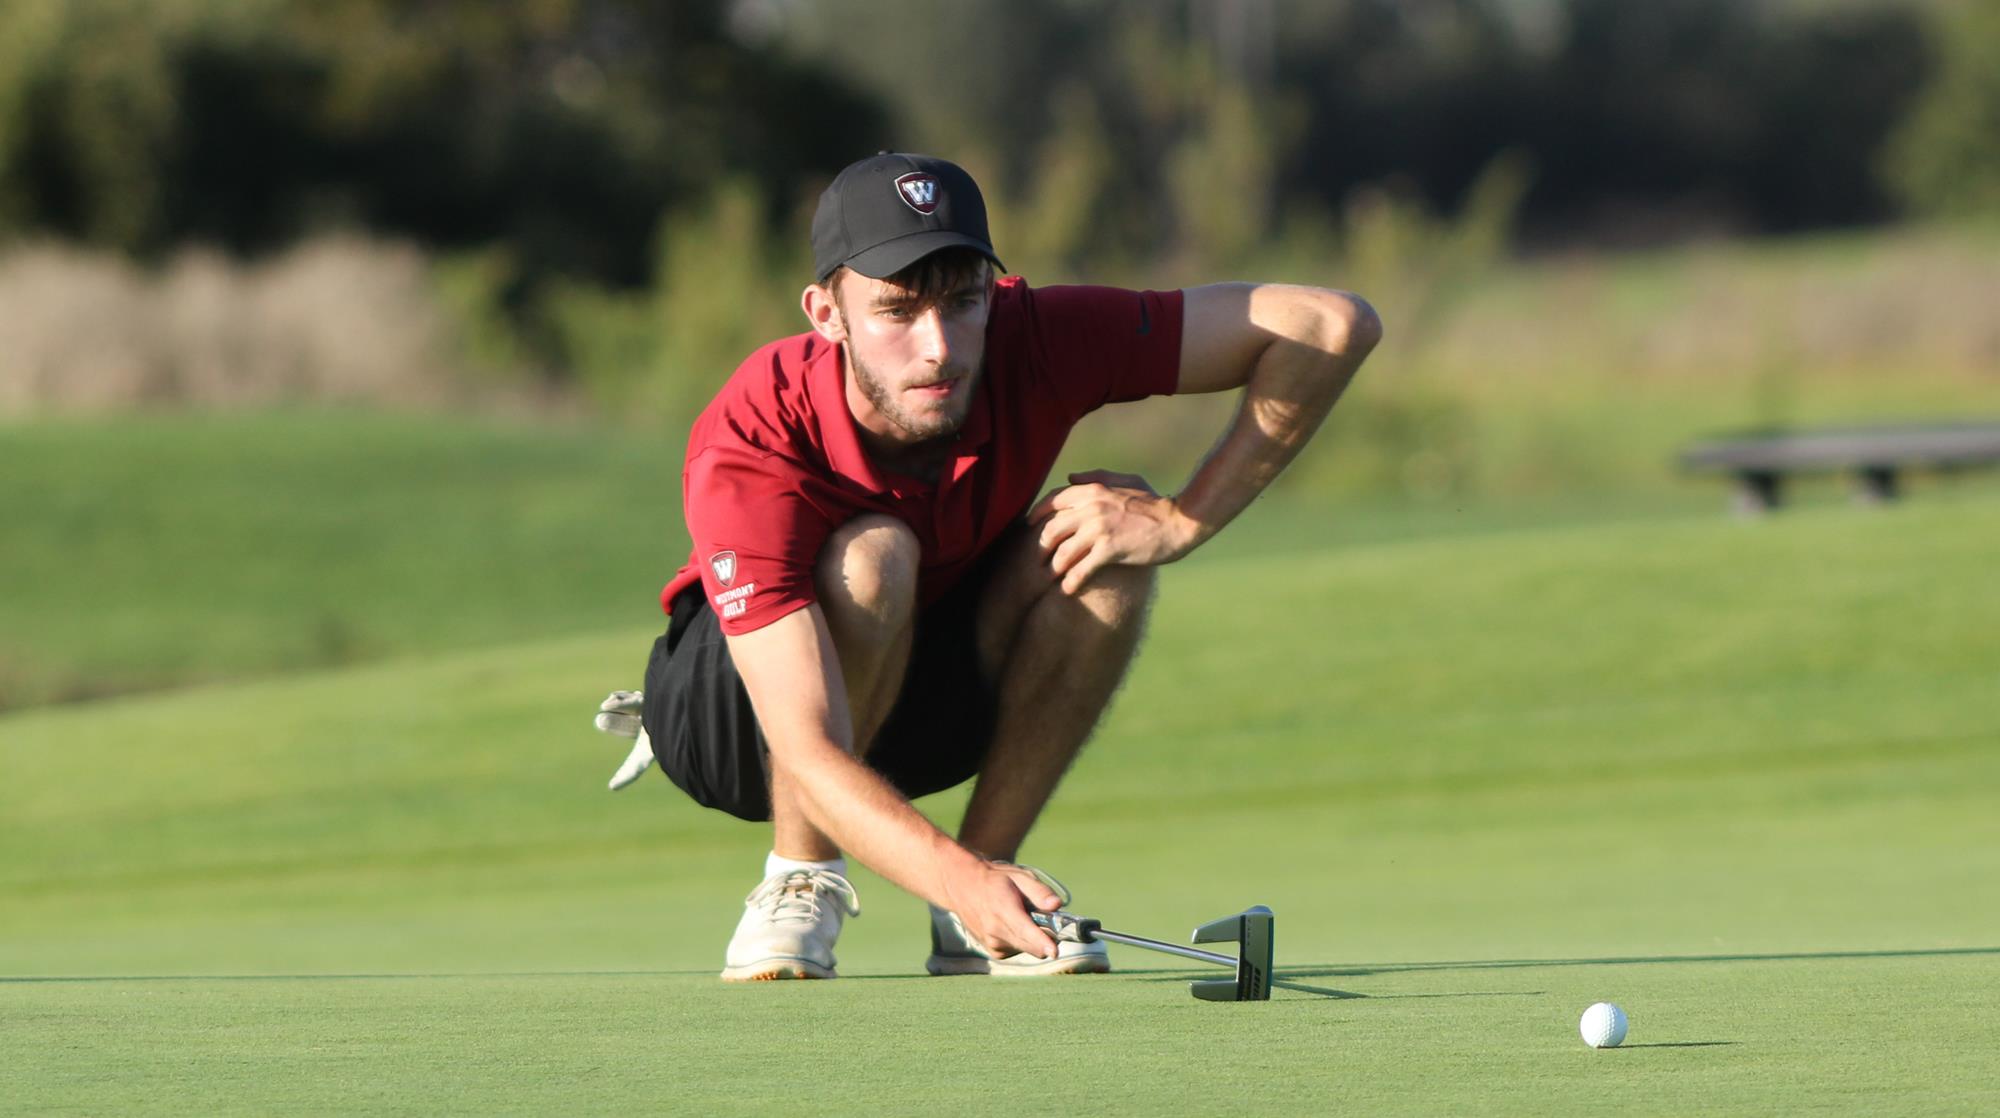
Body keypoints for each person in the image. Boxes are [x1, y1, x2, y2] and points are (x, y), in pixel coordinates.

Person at [593, 152, 1380, 981]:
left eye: (962, 303)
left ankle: (980, 893)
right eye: (897, 311)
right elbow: (808, 742)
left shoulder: (1029, 336)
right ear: (827, 314)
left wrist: (1182, 521)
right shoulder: (758, 427)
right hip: (735, 721)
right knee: (878, 555)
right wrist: (949, 876)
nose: (939, 348)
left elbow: (1331, 327)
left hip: (917, 695)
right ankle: (800, 882)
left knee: (1101, 541)